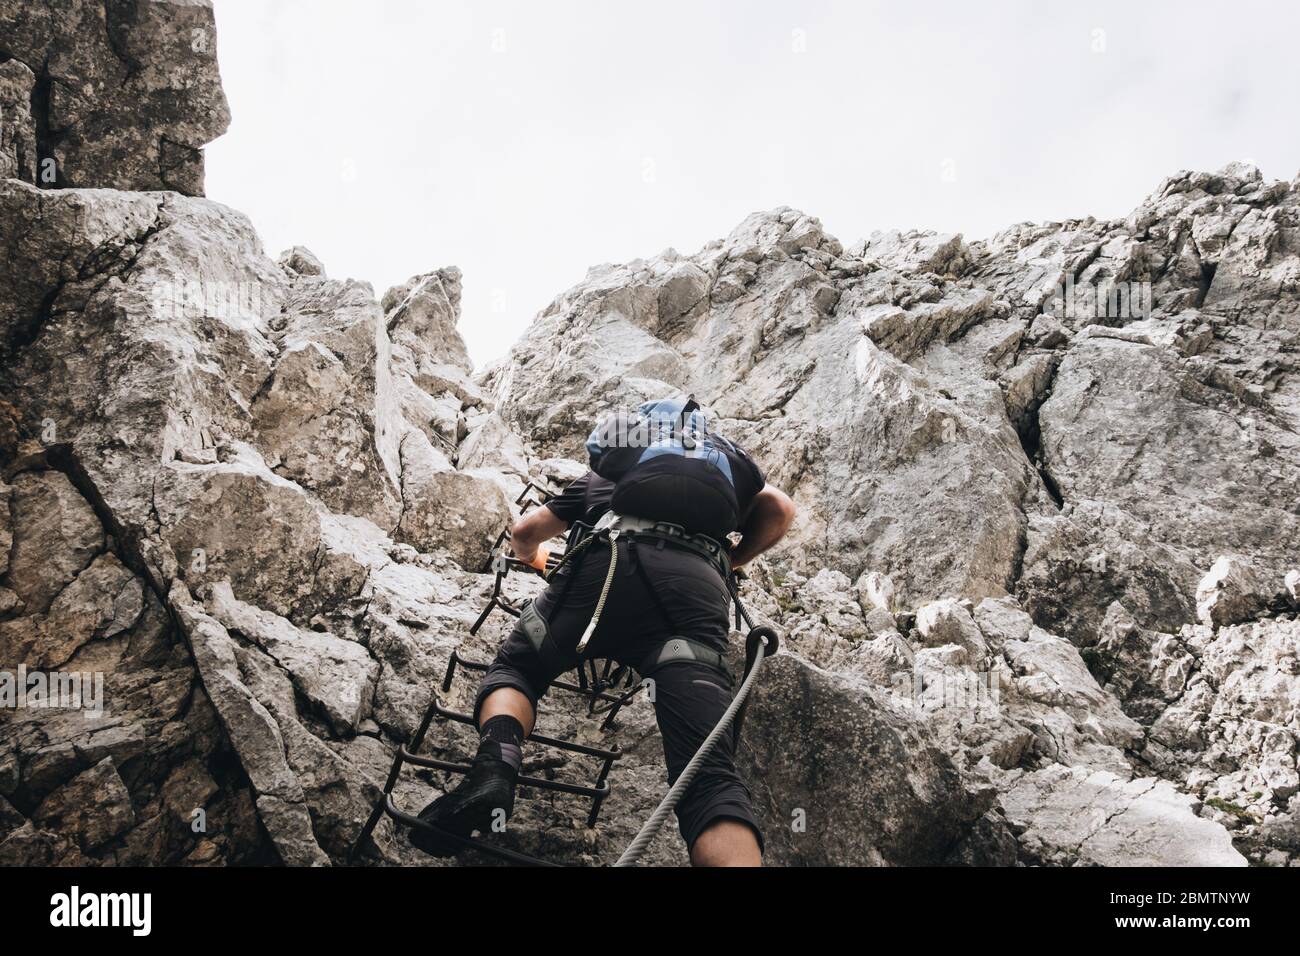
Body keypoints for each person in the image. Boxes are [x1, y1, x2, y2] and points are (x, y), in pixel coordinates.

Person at [413, 401, 795, 866]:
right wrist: (730, 563)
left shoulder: (606, 477)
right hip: (692, 596)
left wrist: (539, 563)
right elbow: (780, 506)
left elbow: (525, 531)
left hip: (600, 575)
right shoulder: (724, 470)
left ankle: (496, 766)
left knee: (518, 668)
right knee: (709, 778)